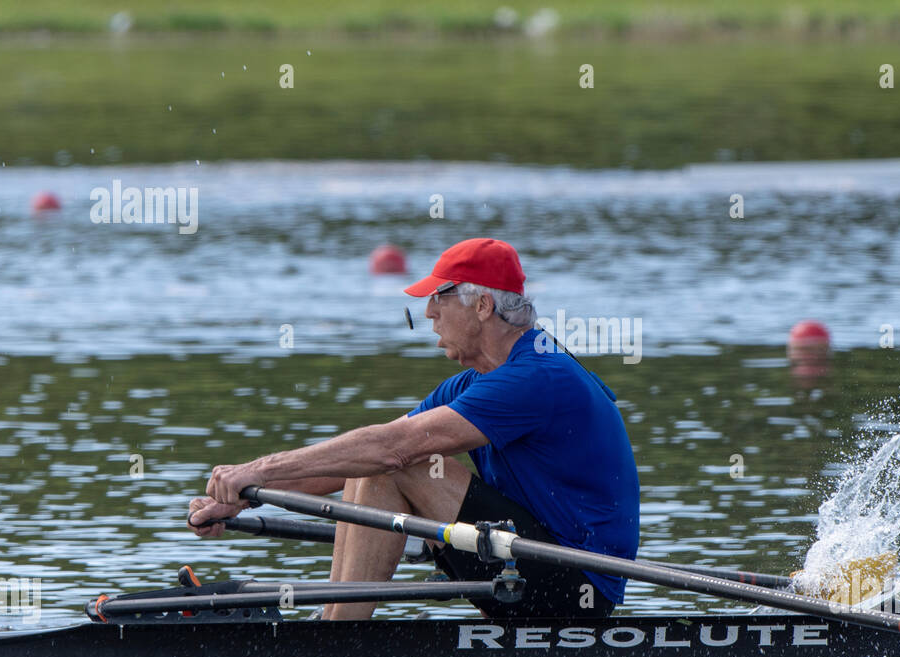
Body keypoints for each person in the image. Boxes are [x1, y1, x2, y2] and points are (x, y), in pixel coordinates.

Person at [188, 237, 640, 620]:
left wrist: (259, 468)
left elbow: (391, 450)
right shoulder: (474, 382)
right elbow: (352, 464)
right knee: (373, 461)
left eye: (439, 298)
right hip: (520, 564)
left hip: (576, 589)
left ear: (483, 305)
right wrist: (241, 498)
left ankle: (335, 647)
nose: (427, 313)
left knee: (392, 461)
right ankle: (333, 632)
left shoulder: (537, 378)